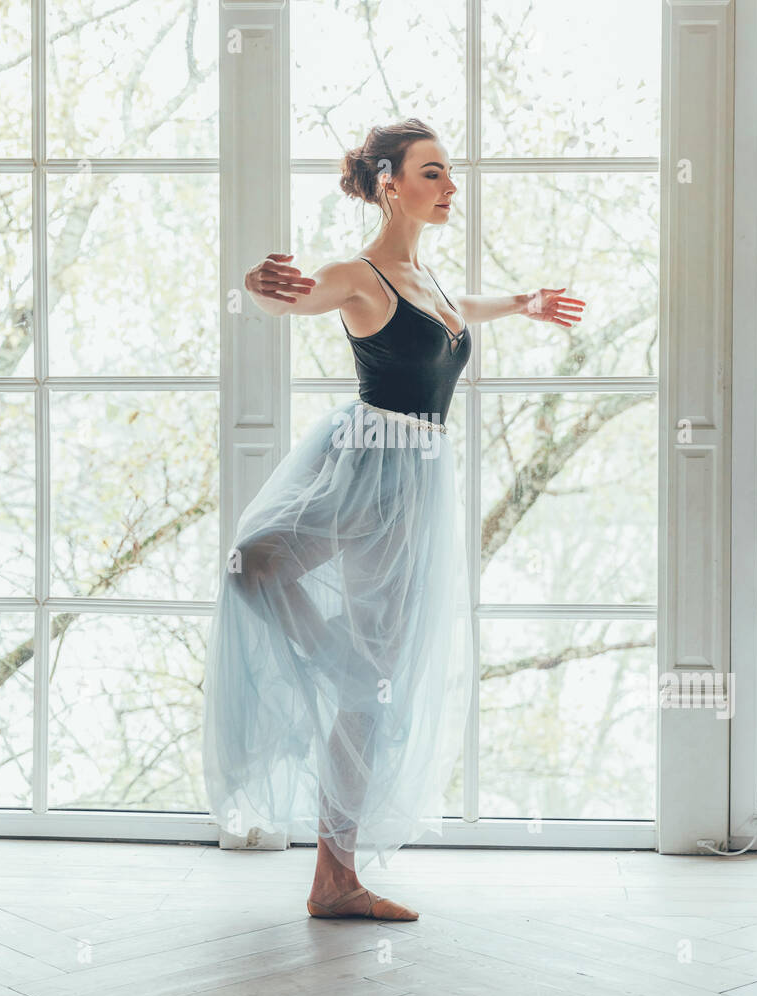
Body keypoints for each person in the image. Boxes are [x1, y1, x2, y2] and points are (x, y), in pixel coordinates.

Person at [202, 117, 585, 921]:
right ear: (389, 183)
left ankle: (333, 878)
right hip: (366, 469)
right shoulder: (359, 274)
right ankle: (330, 661)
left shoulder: (431, 281)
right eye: (434, 174)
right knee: (257, 563)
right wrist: (255, 287)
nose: (451, 188)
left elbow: (460, 311)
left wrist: (523, 302)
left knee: (371, 692)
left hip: (418, 488)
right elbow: (294, 298)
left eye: (450, 175)